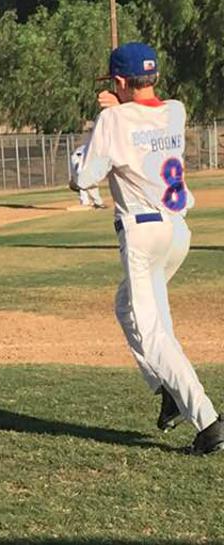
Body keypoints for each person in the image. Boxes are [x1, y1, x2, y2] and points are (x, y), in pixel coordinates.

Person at [73, 42, 223, 455]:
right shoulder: (176, 110)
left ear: (120, 82)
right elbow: (144, 120)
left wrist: (103, 118)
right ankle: (167, 389)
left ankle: (208, 422)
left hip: (143, 233)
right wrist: (116, 111)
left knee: (156, 335)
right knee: (128, 308)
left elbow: (84, 177)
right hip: (177, 231)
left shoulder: (113, 120)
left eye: (115, 84)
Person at [70, 144, 106, 209]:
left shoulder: (96, 148)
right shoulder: (94, 147)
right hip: (78, 158)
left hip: (81, 158)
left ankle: (97, 203)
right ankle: (86, 202)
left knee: (89, 181)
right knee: (83, 180)